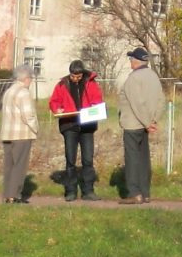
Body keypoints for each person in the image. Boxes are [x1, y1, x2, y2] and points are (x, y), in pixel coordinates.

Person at [47, 58, 105, 201]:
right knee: (70, 159)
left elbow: (97, 100)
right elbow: (54, 102)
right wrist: (57, 109)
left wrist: (93, 108)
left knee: (87, 159)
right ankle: (71, 191)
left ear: (83, 74)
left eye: (78, 77)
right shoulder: (62, 84)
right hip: (69, 126)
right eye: (72, 76)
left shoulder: (91, 84)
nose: (75, 79)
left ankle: (88, 191)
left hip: (87, 126)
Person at [117, 45, 166, 205]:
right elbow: (161, 101)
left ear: (136, 61)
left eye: (131, 58)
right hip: (146, 123)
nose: (130, 61)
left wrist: (146, 123)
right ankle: (145, 193)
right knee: (144, 159)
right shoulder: (153, 76)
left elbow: (137, 103)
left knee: (132, 159)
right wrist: (153, 121)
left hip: (133, 124)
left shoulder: (133, 78)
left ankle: (134, 193)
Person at [0, 65, 39, 203]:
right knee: (19, 166)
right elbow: (28, 116)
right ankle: (15, 195)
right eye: (31, 78)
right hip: (21, 134)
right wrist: (36, 129)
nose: (31, 81)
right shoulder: (24, 93)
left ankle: (7, 195)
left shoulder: (8, 91)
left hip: (7, 133)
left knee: (9, 165)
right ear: (26, 78)